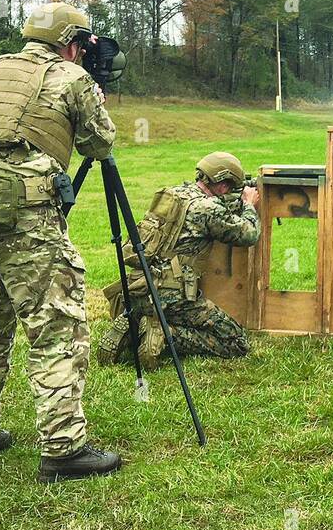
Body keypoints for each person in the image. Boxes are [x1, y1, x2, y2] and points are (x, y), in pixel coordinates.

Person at [0, 2, 122, 483]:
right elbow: (100, 144)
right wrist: (95, 99)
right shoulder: (69, 77)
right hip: (26, 214)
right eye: (83, 46)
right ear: (72, 43)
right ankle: (64, 450)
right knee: (56, 325)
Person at [97, 151, 261, 369]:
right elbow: (249, 234)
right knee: (236, 342)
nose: (229, 191)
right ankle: (164, 335)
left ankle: (135, 326)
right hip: (173, 295)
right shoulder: (208, 209)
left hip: (141, 286)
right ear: (222, 183)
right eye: (230, 186)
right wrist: (249, 204)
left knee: (165, 309)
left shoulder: (174, 194)